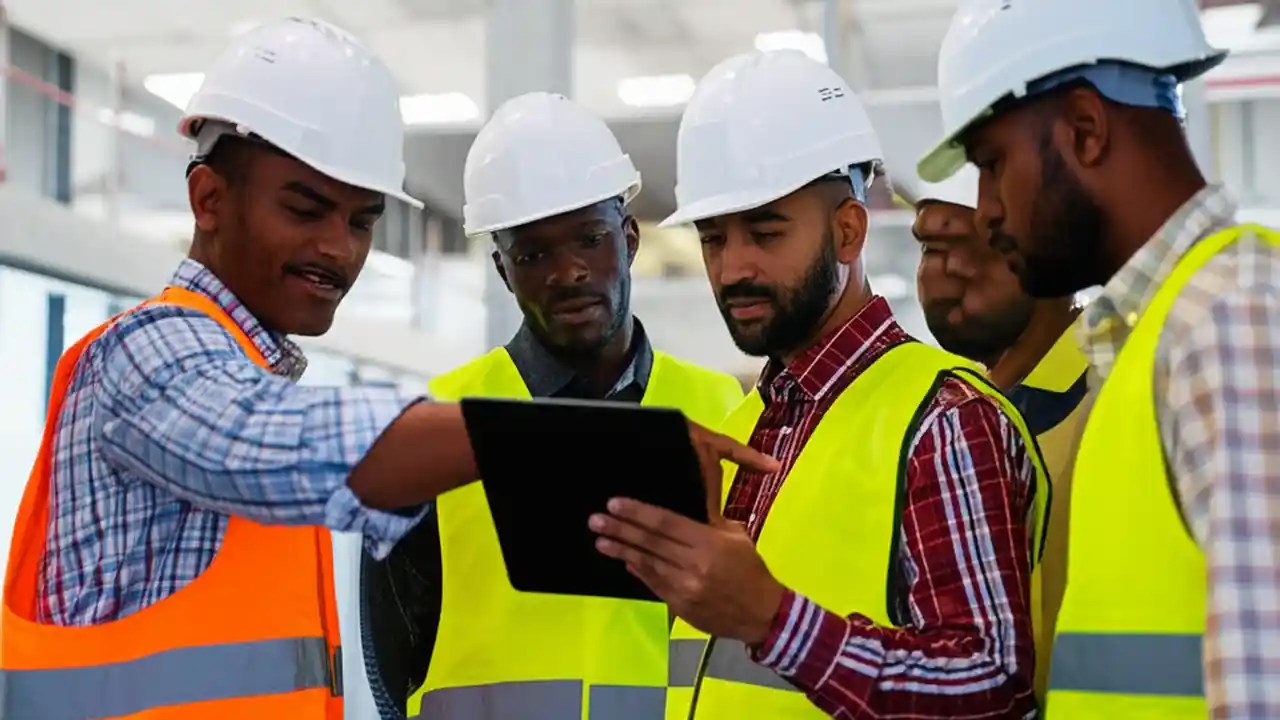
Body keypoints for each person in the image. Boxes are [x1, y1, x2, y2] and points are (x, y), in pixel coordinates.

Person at [0, 21, 772, 720]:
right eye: (305, 210)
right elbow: (271, 445)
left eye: (362, 219)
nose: (340, 248)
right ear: (209, 198)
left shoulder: (259, 375)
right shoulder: (145, 353)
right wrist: (568, 444)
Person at [589, 49, 1052, 719]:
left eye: (765, 232)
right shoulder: (745, 427)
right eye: (714, 239)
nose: (734, 267)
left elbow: (993, 690)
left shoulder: (945, 420)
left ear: (847, 230)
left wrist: (775, 620)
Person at [919, 0, 1280, 717]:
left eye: (994, 165)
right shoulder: (1153, 338)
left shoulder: (1229, 319)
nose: (987, 212)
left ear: (1086, 130)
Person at [360, 91, 746, 720]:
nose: (567, 272)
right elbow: (391, 660)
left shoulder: (720, 409)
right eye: (533, 253)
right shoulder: (442, 422)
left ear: (628, 239)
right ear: (504, 271)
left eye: (589, 239)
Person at [893, 161, 1092, 699]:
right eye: (929, 250)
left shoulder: (1111, 399)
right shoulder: (937, 419)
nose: (943, 270)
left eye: (965, 243)